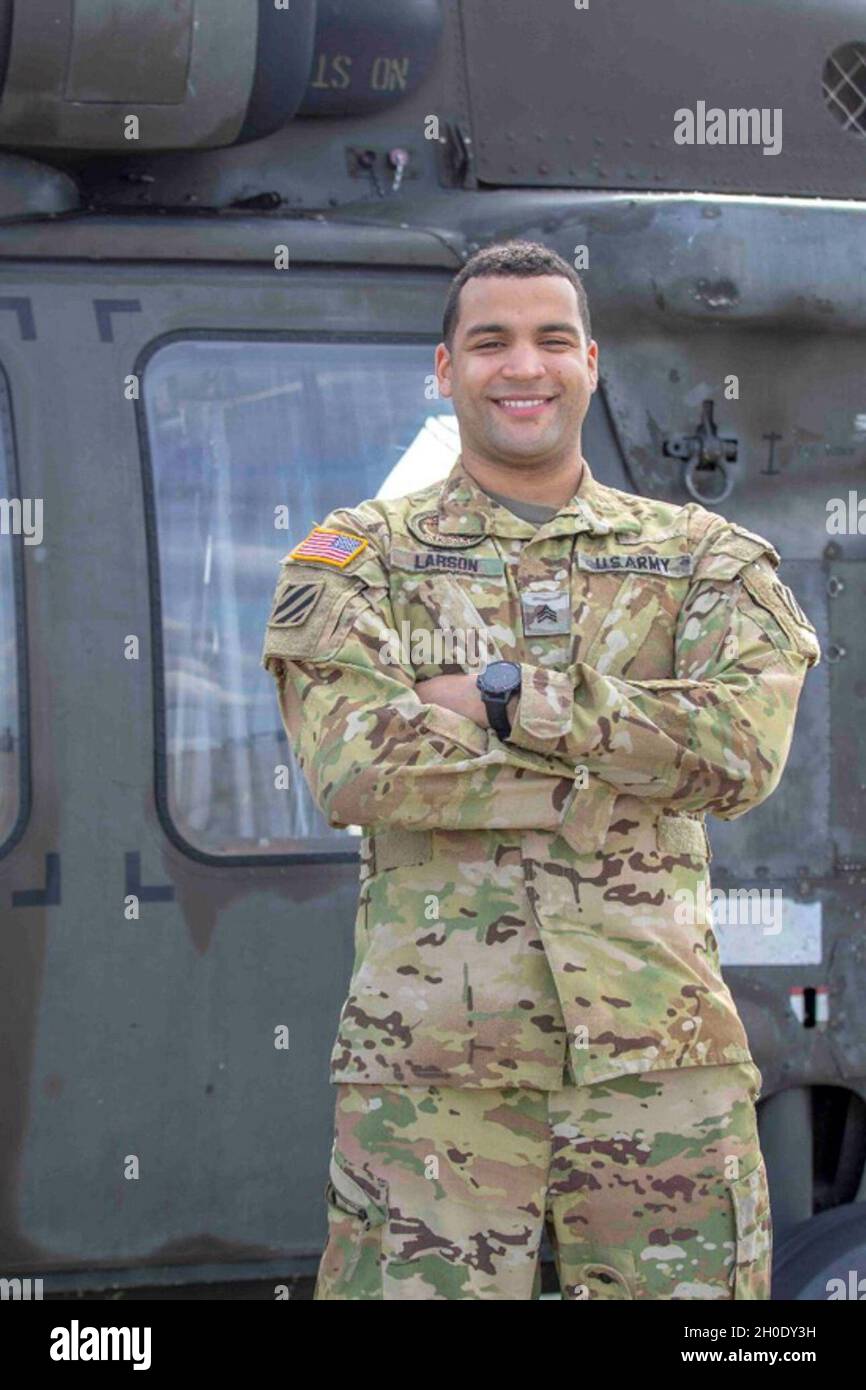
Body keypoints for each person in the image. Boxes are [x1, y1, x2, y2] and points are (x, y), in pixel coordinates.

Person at [261, 240, 820, 1300]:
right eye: (490, 342)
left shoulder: (703, 558)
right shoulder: (356, 558)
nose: (524, 366)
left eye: (550, 339)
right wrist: (630, 762)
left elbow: (740, 751)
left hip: (660, 1068)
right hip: (432, 1078)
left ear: (591, 361)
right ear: (443, 370)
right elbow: (355, 765)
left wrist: (509, 699)